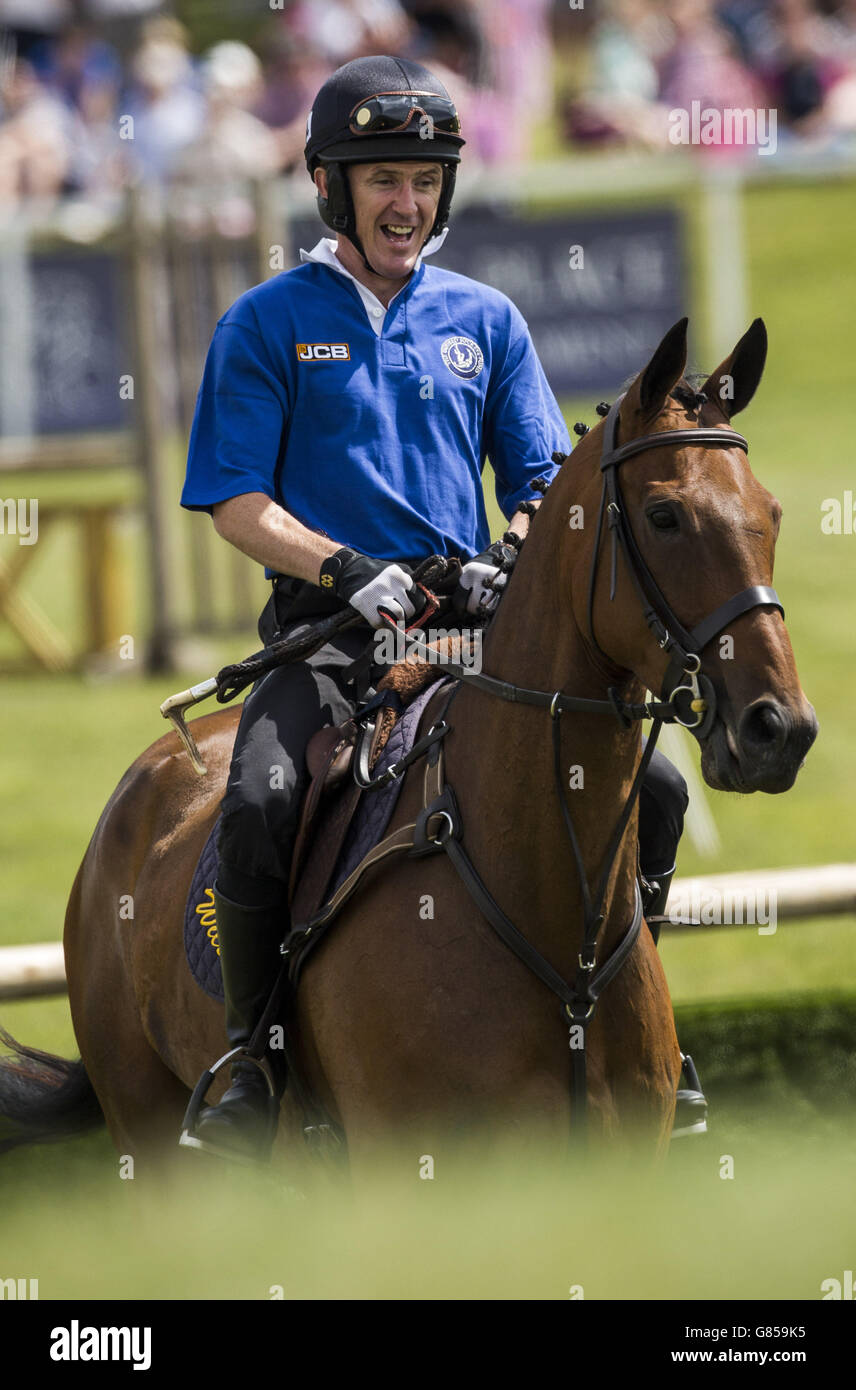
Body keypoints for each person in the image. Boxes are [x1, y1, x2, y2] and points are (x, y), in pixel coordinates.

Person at [180, 54, 692, 1162]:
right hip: (334, 641)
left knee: (651, 778)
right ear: (331, 188)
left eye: (422, 180)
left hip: (469, 637)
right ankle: (251, 1061)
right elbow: (232, 499)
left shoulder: (488, 320)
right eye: (381, 182)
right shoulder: (267, 323)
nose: (405, 203)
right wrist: (342, 566)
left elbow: (542, 490)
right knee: (263, 797)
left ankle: (642, 1027)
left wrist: (506, 558)